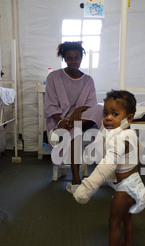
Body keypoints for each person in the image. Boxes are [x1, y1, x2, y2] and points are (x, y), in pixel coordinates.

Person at [70, 90, 145, 246]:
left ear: (129, 117)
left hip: (125, 189)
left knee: (113, 222)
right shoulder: (129, 134)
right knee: (126, 217)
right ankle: (127, 245)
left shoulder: (119, 138)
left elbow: (108, 165)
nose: (108, 118)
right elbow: (139, 150)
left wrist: (87, 187)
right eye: (105, 114)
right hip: (133, 184)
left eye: (114, 114)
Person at [44, 41, 103, 185]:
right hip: (60, 122)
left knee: (101, 107)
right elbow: (50, 104)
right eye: (69, 58)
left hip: (82, 120)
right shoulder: (53, 77)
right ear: (64, 58)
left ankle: (73, 124)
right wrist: (60, 121)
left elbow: (92, 105)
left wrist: (78, 109)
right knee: (75, 131)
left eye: (76, 57)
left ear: (81, 57)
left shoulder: (88, 80)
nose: (73, 61)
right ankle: (76, 179)